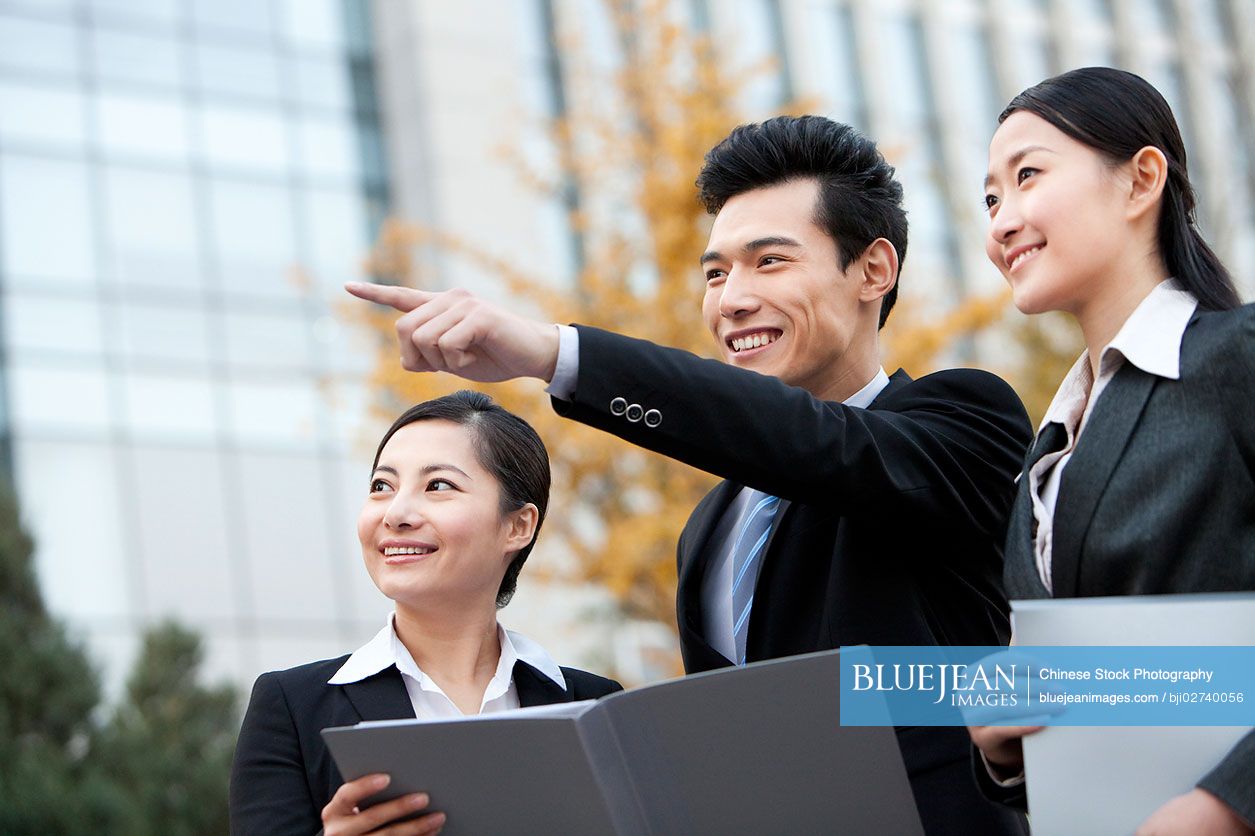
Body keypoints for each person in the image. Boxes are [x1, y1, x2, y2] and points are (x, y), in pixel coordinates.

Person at [348, 115, 1032, 834]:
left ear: (872, 270)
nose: (729, 299)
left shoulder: (961, 423)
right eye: (714, 272)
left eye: (769, 261)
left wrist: (556, 354)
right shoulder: (713, 524)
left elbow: (813, 446)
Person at [972, 67, 1255, 834]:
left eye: (1027, 175)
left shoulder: (1238, 357)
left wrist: (1229, 803)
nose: (1000, 221)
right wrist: (1004, 744)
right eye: (990, 198)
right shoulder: (1047, 455)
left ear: (1140, 181)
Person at [229, 391, 621, 835]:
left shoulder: (594, 706)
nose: (396, 514)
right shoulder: (293, 708)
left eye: (438, 485)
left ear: (517, 526)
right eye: (382, 486)